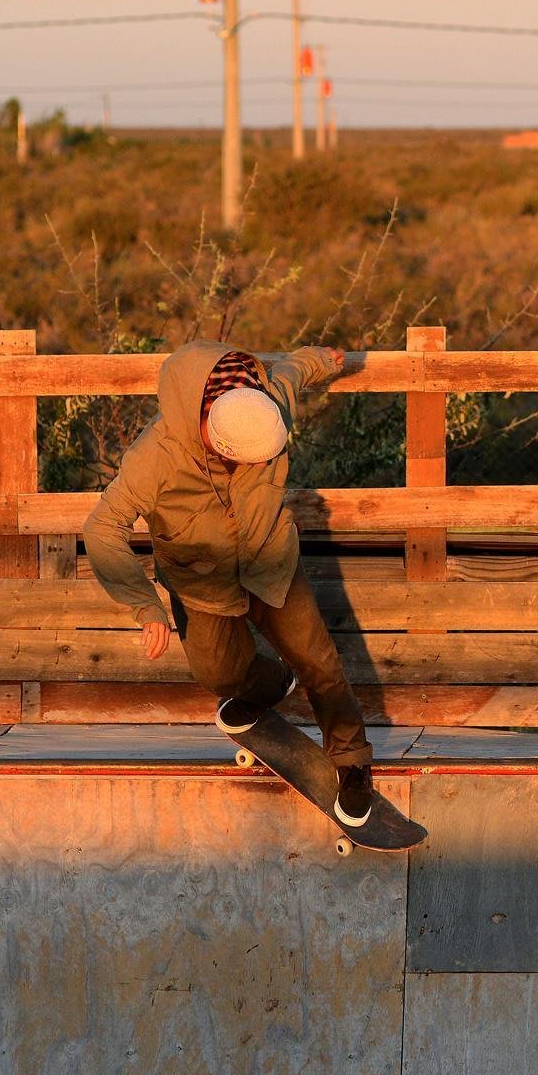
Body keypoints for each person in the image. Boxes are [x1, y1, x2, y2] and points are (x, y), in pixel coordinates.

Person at [82, 341, 388, 830]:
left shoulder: (267, 402)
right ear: (212, 434)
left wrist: (325, 358)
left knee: (320, 662)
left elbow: (290, 368)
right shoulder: (153, 460)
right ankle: (270, 683)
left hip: (270, 560)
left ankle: (353, 763)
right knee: (219, 676)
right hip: (202, 584)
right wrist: (146, 606)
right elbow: (101, 528)